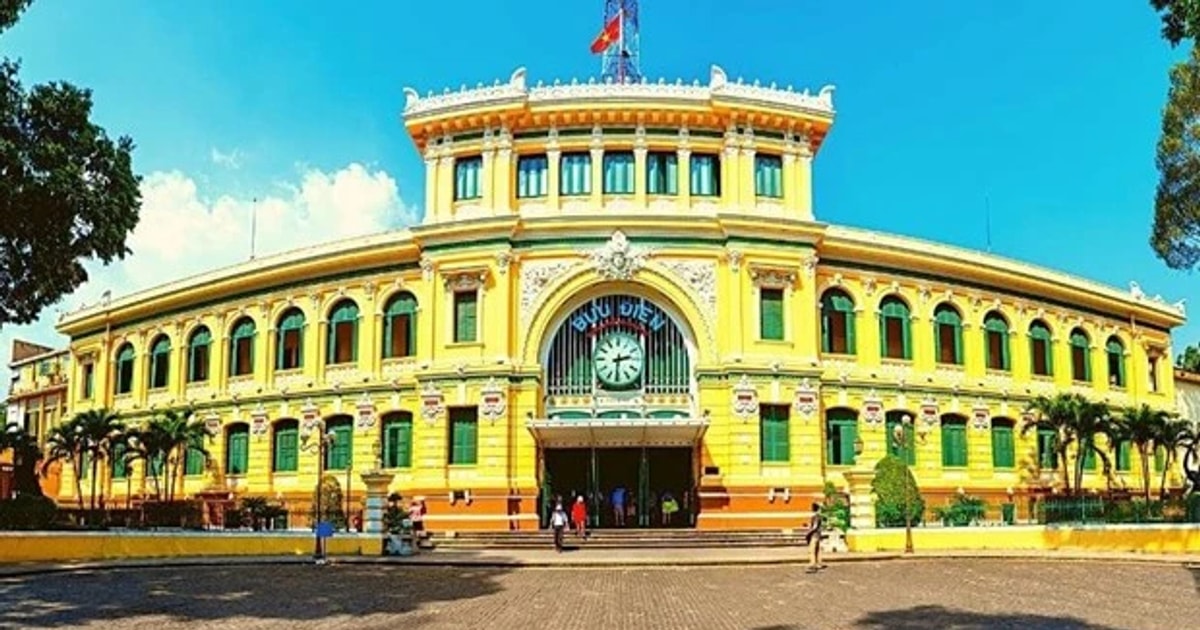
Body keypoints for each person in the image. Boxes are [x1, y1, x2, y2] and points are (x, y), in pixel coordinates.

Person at [805, 501, 825, 573]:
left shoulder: (815, 516)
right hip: (819, 535)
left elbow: (814, 527)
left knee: (812, 551)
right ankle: (819, 563)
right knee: (818, 550)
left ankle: (812, 564)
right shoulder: (820, 516)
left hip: (814, 535)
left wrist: (808, 533)